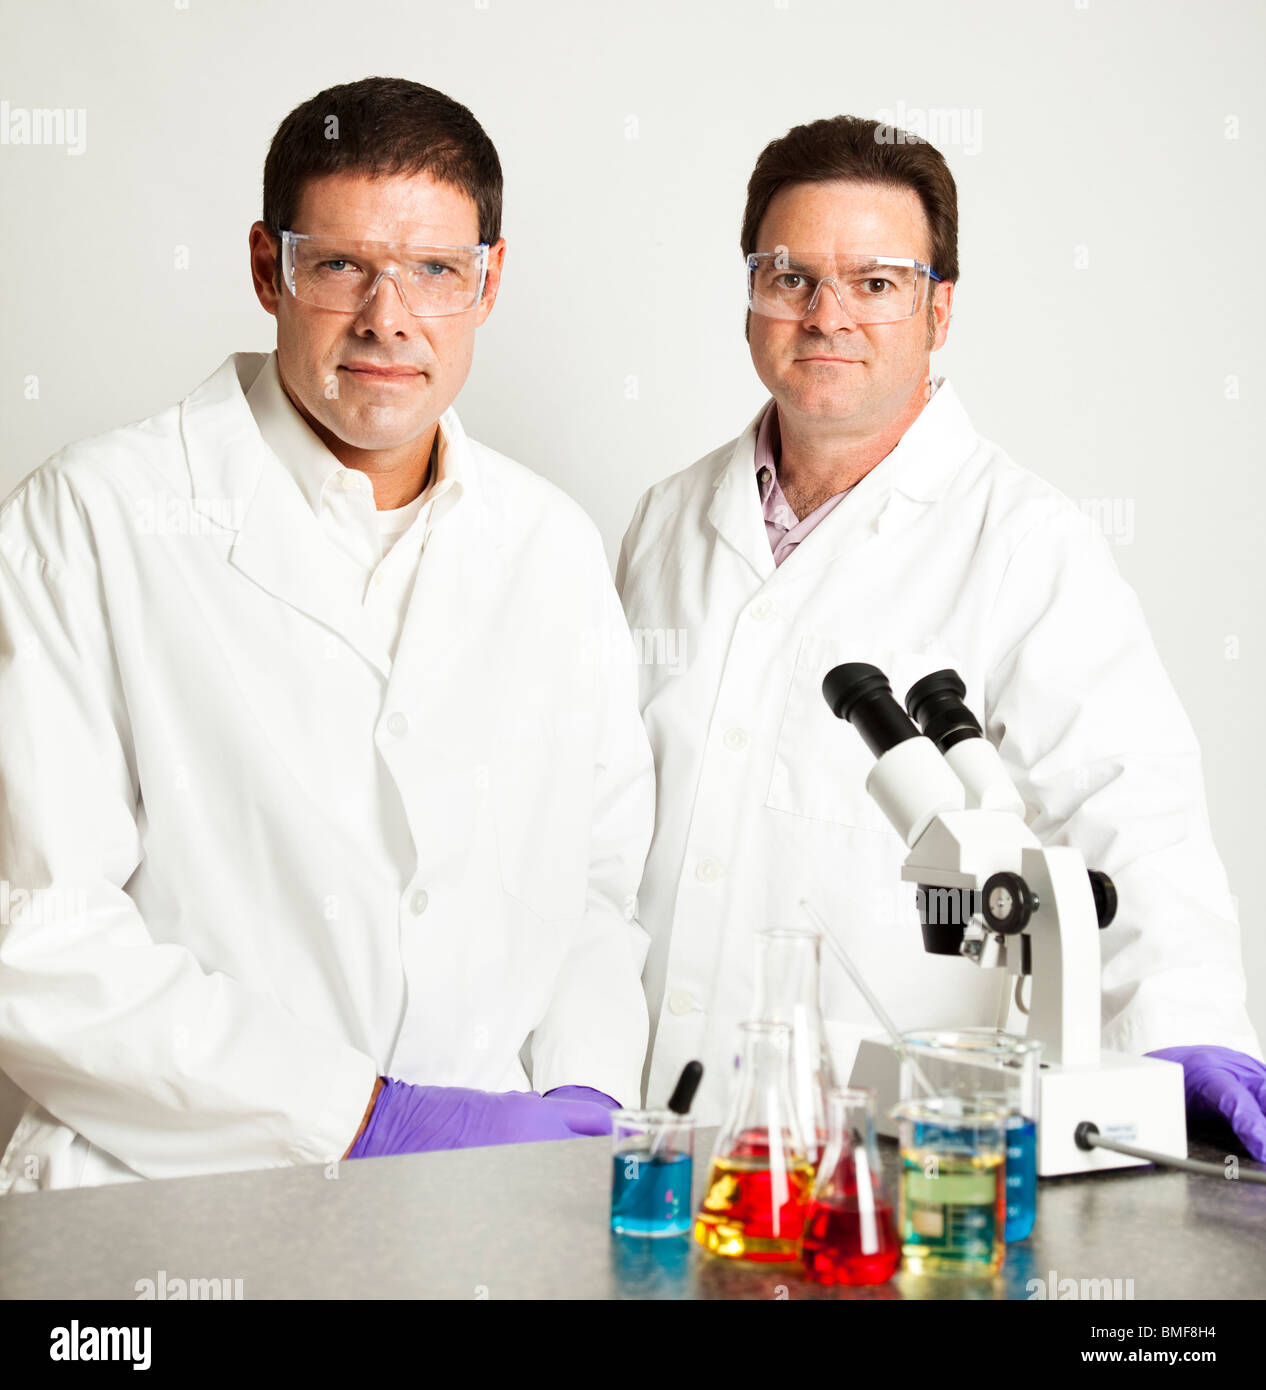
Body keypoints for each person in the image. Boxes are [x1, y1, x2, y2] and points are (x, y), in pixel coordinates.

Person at [0, 77, 654, 1193]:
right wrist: (364, 1119)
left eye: (437, 271)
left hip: (475, 1214)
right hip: (164, 1205)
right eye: (341, 264)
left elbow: (593, 890)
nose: (387, 318)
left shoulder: (548, 544)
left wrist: (586, 1087)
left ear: (488, 282)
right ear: (268, 267)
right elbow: (37, 937)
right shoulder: (96, 516)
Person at [616, 115, 1266, 1157]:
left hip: (887, 1158)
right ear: (750, 296)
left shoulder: (1031, 545)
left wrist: (1185, 1046)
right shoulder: (664, 519)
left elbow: (1135, 828)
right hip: (644, 1128)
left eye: (876, 282)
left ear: (940, 308)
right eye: (790, 276)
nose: (827, 313)